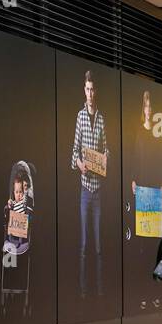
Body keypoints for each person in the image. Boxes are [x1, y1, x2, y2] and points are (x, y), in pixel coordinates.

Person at [70, 71, 108, 298]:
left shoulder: (101, 118)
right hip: (85, 188)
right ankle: (84, 292)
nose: (90, 93)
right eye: (87, 89)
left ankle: (101, 291)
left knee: (98, 245)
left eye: (93, 89)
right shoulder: (80, 116)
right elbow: (74, 150)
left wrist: (106, 159)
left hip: (99, 189)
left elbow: (107, 148)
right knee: (84, 245)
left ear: (96, 91)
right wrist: (79, 163)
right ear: (84, 90)